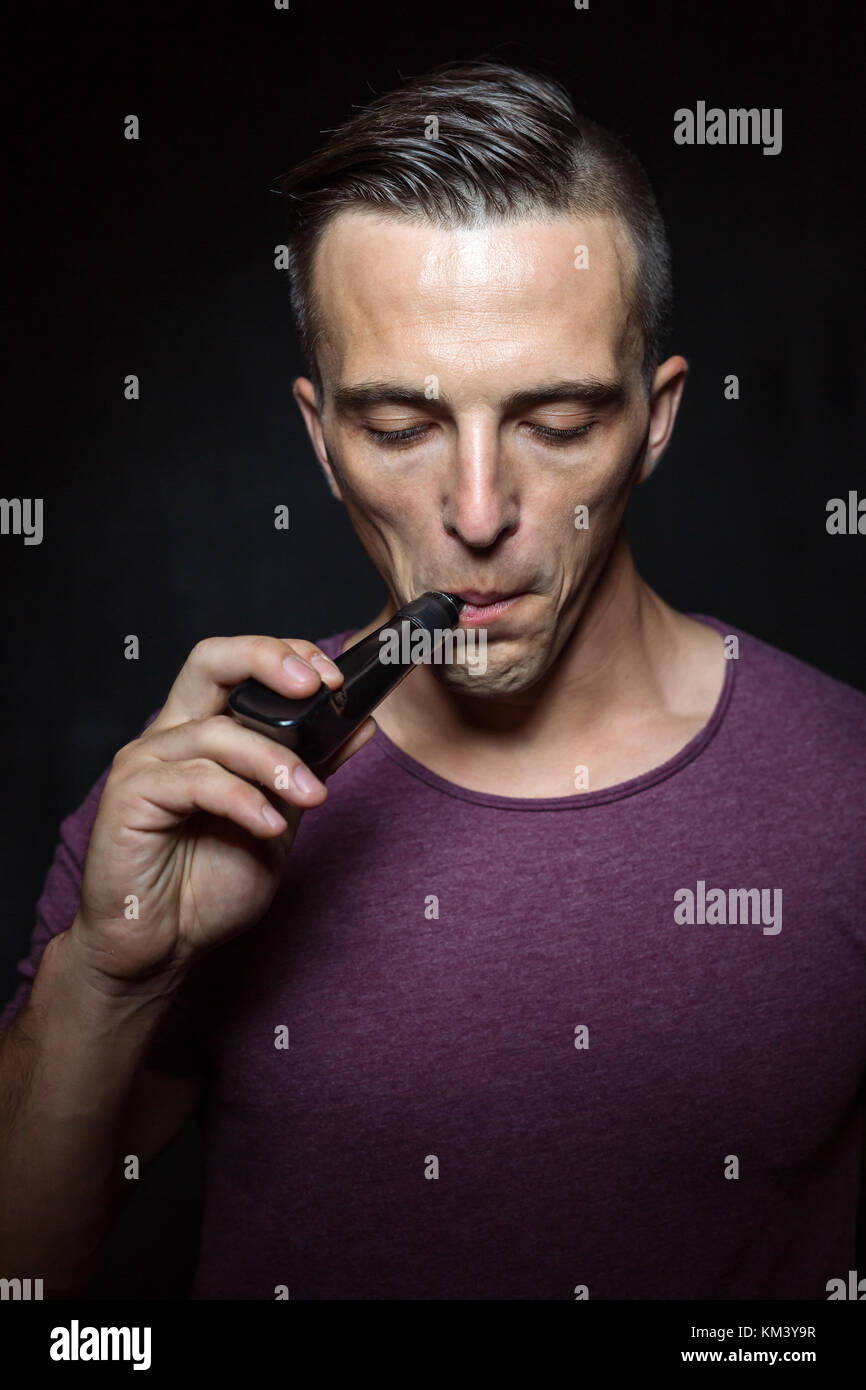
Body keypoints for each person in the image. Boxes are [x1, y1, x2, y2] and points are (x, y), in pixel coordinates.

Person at [1, 61, 864, 1301]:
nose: (475, 511)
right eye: (400, 427)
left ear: (656, 420)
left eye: (556, 421)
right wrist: (106, 979)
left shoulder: (846, 796)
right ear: (321, 439)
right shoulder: (200, 797)